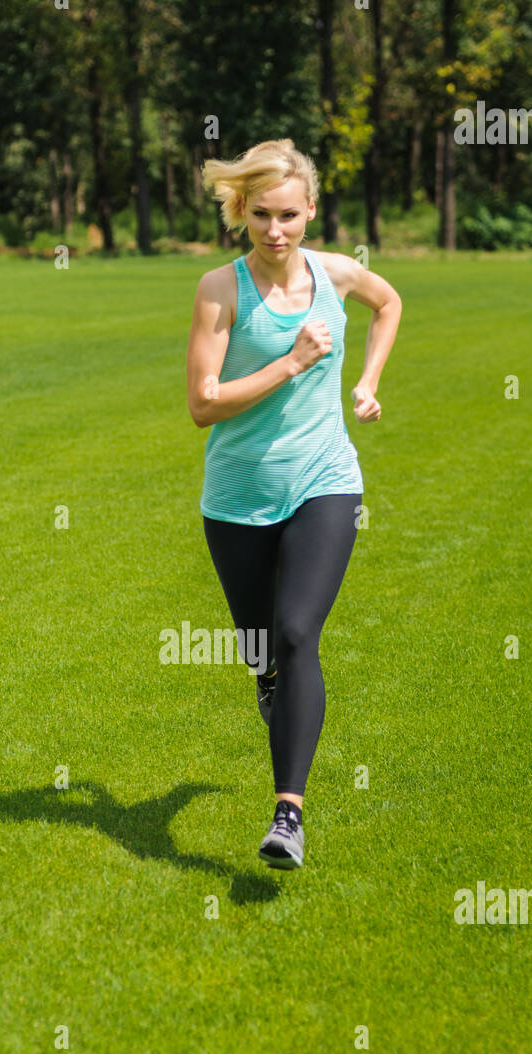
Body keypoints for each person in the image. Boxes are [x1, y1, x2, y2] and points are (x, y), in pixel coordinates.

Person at [186, 138, 401, 869]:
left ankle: (288, 815)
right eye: (260, 215)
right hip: (237, 496)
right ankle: (272, 683)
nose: (274, 231)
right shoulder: (220, 289)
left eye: (288, 215)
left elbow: (389, 302)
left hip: (324, 480)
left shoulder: (336, 274)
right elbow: (202, 405)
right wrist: (291, 362)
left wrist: (367, 382)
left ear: (311, 211)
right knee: (262, 653)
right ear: (239, 210)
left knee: (297, 631)